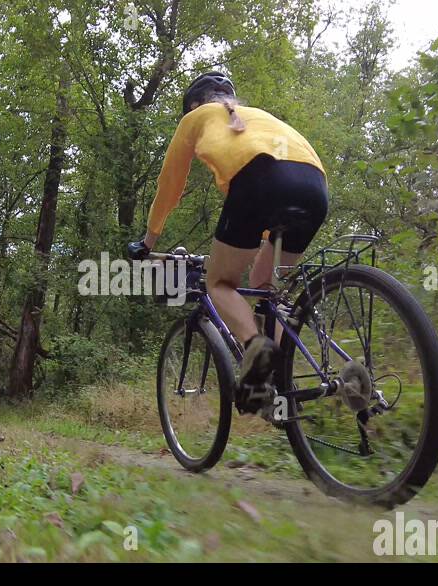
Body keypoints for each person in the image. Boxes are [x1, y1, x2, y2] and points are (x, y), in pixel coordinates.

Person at [128, 71, 328, 414]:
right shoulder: (260, 117)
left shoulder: (195, 117)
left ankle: (256, 349)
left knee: (219, 283)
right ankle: (281, 379)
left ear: (194, 104)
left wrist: (148, 241)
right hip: (314, 187)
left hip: (260, 179)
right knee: (266, 288)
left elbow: (169, 186)